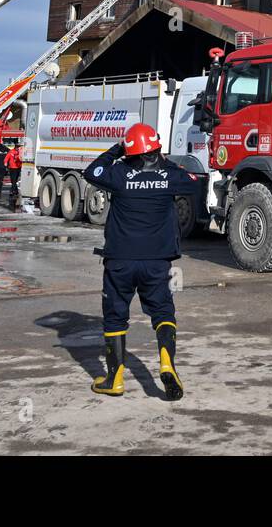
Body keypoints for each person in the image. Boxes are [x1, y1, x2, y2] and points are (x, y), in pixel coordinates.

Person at [83, 123, 200, 400]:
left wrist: (117, 149)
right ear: (156, 148)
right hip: (157, 262)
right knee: (162, 313)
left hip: (119, 261)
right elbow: (194, 184)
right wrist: (163, 162)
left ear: (130, 149)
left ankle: (114, 380)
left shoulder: (119, 173)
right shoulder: (170, 175)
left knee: (115, 317)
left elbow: (91, 172)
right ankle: (166, 361)